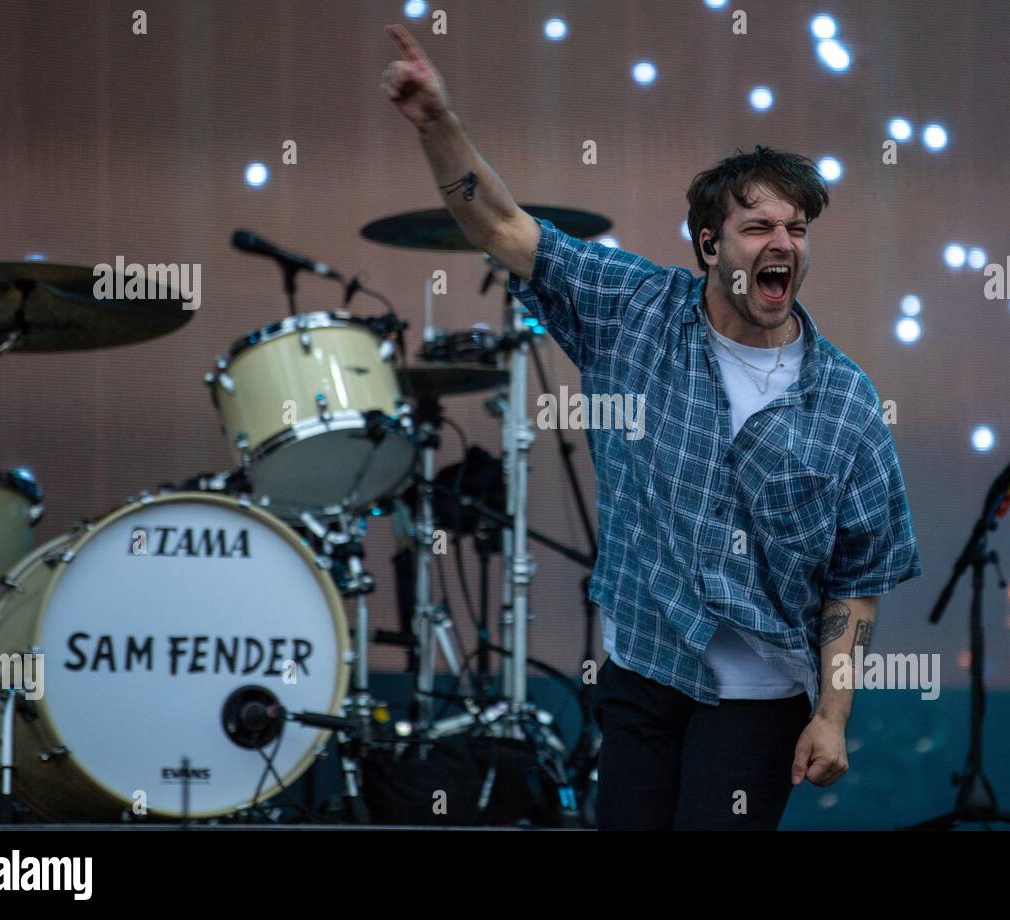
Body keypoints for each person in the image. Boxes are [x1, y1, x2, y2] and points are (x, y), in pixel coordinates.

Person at [382, 23, 921, 830]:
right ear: (709, 246)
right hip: (640, 668)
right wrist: (436, 124)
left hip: (761, 697)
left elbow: (858, 579)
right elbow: (500, 227)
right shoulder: (634, 310)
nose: (784, 244)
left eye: (797, 229)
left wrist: (834, 713)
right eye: (759, 228)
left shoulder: (844, 402)